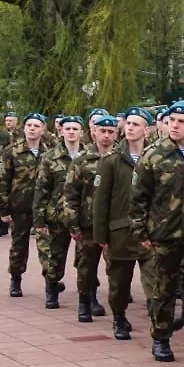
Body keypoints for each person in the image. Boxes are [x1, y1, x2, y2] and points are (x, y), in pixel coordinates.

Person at [130, 101, 184, 362]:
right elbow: (138, 199)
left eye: (181, 121)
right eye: (172, 120)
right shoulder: (154, 155)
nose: (174, 125)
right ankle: (161, 338)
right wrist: (141, 233)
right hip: (163, 234)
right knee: (164, 289)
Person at [95, 108, 153, 340]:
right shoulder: (111, 161)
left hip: (149, 233)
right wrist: (101, 236)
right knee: (119, 283)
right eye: (128, 123)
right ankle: (119, 318)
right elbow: (101, 202)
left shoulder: (154, 158)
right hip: (120, 232)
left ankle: (159, 325)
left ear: (146, 130)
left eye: (136, 124)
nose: (130, 128)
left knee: (155, 283)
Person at [62, 115, 118, 323]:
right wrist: (72, 223)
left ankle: (117, 308)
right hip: (88, 224)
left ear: (116, 134)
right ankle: (85, 302)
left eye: (110, 132)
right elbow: (70, 194)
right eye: (102, 131)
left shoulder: (121, 159)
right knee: (86, 267)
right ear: (93, 132)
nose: (106, 135)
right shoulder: (82, 161)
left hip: (114, 225)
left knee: (116, 268)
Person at [0, 114, 48, 295]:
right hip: (19, 207)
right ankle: (16, 279)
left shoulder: (51, 152)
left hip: (44, 209)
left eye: (36, 126)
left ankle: (51, 280)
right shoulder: (11, 151)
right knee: (19, 245)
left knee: (47, 246)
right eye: (29, 125)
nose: (32, 128)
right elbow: (1, 181)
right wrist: (3, 208)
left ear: (43, 129)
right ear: (24, 128)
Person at [34, 116, 86, 309]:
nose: (71, 132)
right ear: (61, 131)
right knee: (56, 256)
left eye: (75, 129)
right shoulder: (50, 157)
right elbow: (41, 190)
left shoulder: (89, 155)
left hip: (83, 216)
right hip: (57, 215)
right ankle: (52, 290)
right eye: (68, 128)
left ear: (82, 132)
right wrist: (39, 221)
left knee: (85, 258)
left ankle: (87, 295)